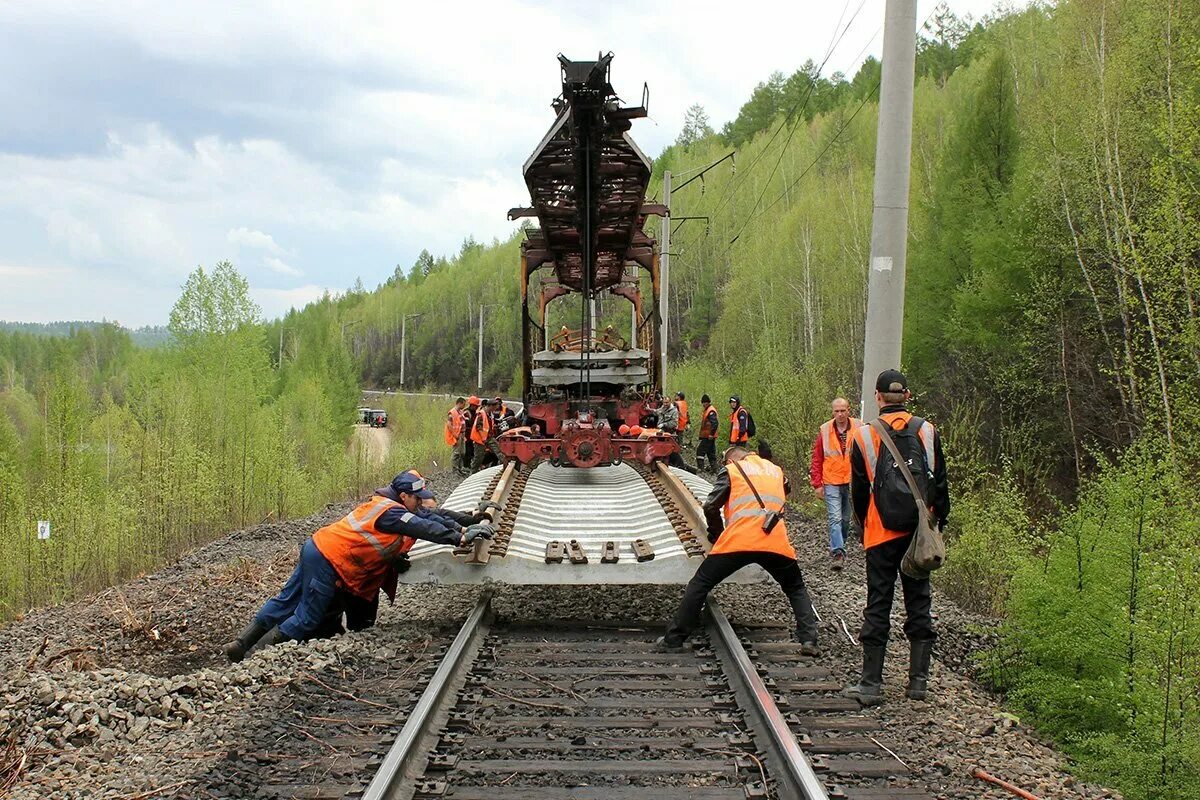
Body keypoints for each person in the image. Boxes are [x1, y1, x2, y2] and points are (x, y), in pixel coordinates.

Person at [223, 472, 494, 661]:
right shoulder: (393, 513)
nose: (420, 502)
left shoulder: (387, 504)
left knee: (286, 599)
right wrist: (459, 538)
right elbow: (422, 526)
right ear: (404, 496)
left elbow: (430, 516)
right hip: (330, 558)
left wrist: (467, 523)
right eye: (417, 498)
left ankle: (242, 643)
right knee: (308, 616)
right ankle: (259, 655)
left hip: (316, 546)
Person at [843, 370, 949, 705]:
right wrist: (936, 523)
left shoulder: (863, 436)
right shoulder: (927, 430)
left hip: (881, 533)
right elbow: (940, 483)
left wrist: (863, 526)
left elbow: (859, 491)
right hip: (918, 532)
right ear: (907, 395)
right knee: (919, 602)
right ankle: (918, 684)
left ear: (877, 397)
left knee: (878, 603)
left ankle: (871, 685)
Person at [658, 446, 818, 653]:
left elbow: (710, 506)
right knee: (796, 588)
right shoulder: (776, 471)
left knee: (700, 584)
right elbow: (783, 492)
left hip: (739, 541)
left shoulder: (733, 470)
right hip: (775, 541)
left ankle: (674, 640)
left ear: (730, 460)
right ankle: (809, 641)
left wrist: (716, 534)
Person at [810, 398, 861, 571]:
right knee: (835, 517)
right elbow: (817, 458)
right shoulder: (825, 430)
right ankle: (838, 552)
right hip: (831, 480)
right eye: (836, 411)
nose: (840, 414)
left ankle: (841, 543)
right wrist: (817, 484)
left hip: (852, 481)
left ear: (848, 410)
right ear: (832, 412)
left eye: (842, 410)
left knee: (846, 519)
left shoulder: (859, 427)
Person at [470, 398, 502, 472]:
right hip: (480, 439)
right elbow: (479, 427)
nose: (495, 409)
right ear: (490, 406)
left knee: (499, 450)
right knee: (478, 458)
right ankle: (473, 472)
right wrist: (483, 438)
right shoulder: (481, 414)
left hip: (489, 437)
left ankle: (505, 467)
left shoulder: (489, 414)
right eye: (495, 408)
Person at [445, 397, 468, 476]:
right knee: (456, 453)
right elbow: (449, 424)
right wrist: (455, 434)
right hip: (457, 435)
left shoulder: (460, 412)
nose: (464, 406)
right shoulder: (452, 412)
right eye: (463, 404)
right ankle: (455, 470)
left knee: (462, 452)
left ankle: (460, 468)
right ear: (459, 403)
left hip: (462, 435)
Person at [696, 395, 719, 472]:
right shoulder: (708, 410)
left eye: (705, 403)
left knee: (700, 451)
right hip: (709, 436)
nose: (703, 404)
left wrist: (711, 434)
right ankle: (715, 469)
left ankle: (701, 469)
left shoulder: (710, 411)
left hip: (708, 436)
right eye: (703, 403)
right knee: (711, 453)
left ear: (708, 402)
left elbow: (715, 423)